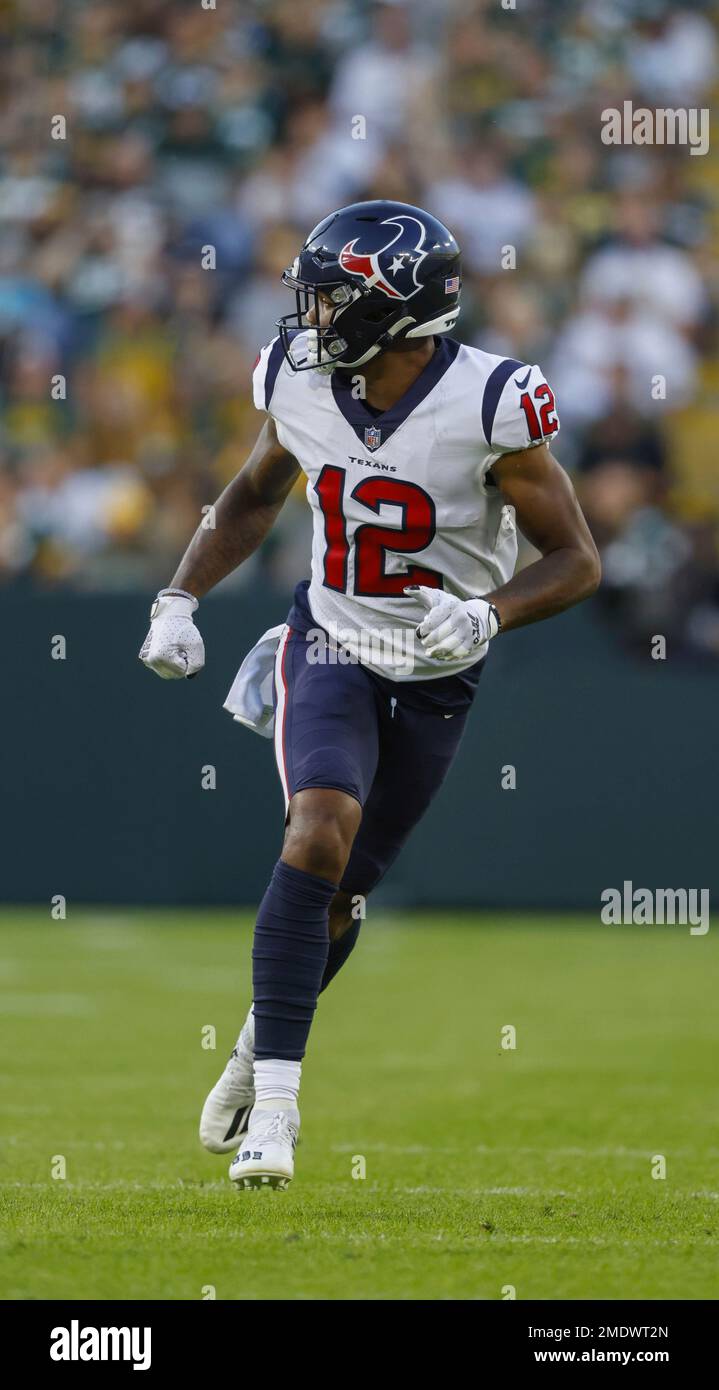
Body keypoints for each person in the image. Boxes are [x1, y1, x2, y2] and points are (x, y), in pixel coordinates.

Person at [139, 200, 601, 1189]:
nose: (311, 315)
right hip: (331, 643)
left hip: (437, 672)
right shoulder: (298, 380)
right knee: (315, 831)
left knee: (341, 893)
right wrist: (179, 594)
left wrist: (486, 614)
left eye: (333, 295)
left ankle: (255, 1043)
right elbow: (256, 493)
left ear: (393, 307)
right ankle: (276, 1110)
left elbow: (574, 560)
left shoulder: (492, 403)